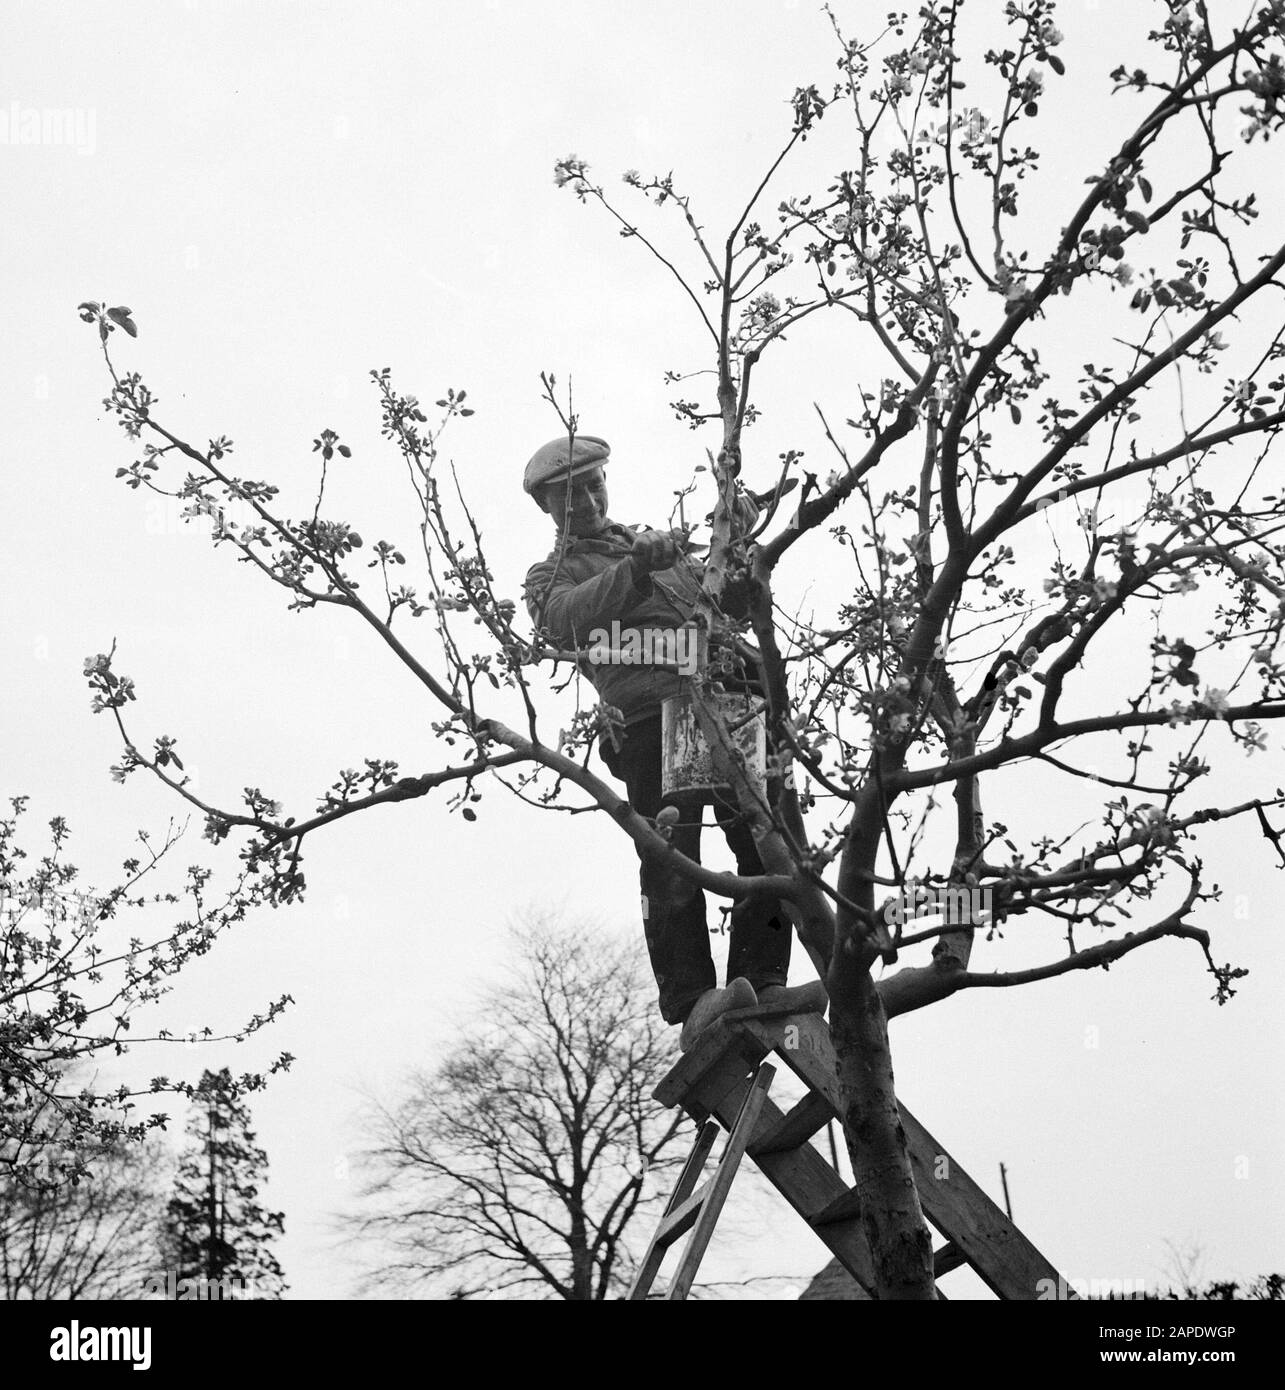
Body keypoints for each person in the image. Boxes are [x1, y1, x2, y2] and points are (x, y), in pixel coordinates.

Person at [522, 433, 825, 1049]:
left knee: (766, 839)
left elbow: (728, 596)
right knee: (672, 849)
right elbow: (564, 620)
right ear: (548, 508)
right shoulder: (552, 575)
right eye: (568, 493)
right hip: (649, 716)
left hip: (729, 700)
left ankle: (761, 979)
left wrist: (743, 523)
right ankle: (692, 999)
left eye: (592, 483)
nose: (584, 498)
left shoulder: (666, 548)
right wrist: (636, 569)